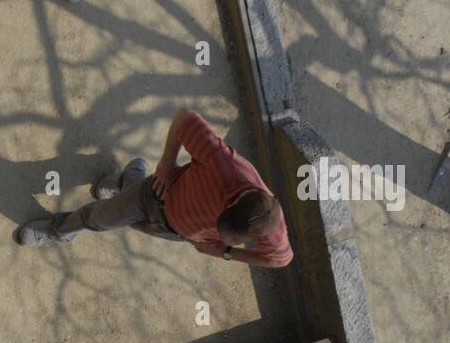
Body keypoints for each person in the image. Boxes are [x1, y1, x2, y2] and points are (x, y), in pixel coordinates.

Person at [15, 108, 293, 268]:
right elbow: (186, 119)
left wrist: (227, 252)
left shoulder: (271, 228)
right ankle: (59, 230)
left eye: (233, 237)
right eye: (227, 230)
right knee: (99, 218)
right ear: (232, 203)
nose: (227, 239)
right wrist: (166, 166)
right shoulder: (224, 164)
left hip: (175, 231)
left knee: (122, 219)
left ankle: (131, 175)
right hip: (155, 196)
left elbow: (280, 260)